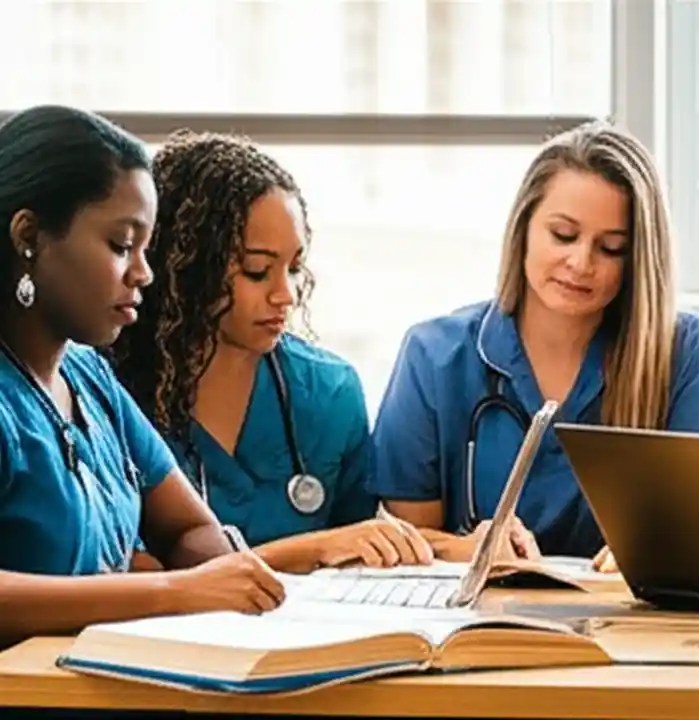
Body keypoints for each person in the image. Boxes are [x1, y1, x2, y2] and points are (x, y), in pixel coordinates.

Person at [370, 121, 699, 561]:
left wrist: (661, 554)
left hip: (625, 625)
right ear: (523, 227)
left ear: (638, 258)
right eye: (563, 235)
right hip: (479, 622)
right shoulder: (433, 356)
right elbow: (402, 546)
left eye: (612, 248)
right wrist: (470, 548)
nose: (581, 262)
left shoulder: (682, 351)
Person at [0, 106, 284, 643]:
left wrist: (225, 575)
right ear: (29, 235)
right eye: (121, 245)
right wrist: (177, 594)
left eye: (146, 248)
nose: (144, 273)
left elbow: (189, 526)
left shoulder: (90, 380)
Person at [110, 132, 431, 574]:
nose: (287, 295)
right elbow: (141, 576)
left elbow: (361, 554)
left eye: (294, 268)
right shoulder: (109, 391)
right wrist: (311, 550)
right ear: (185, 266)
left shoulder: (329, 392)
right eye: (257, 271)